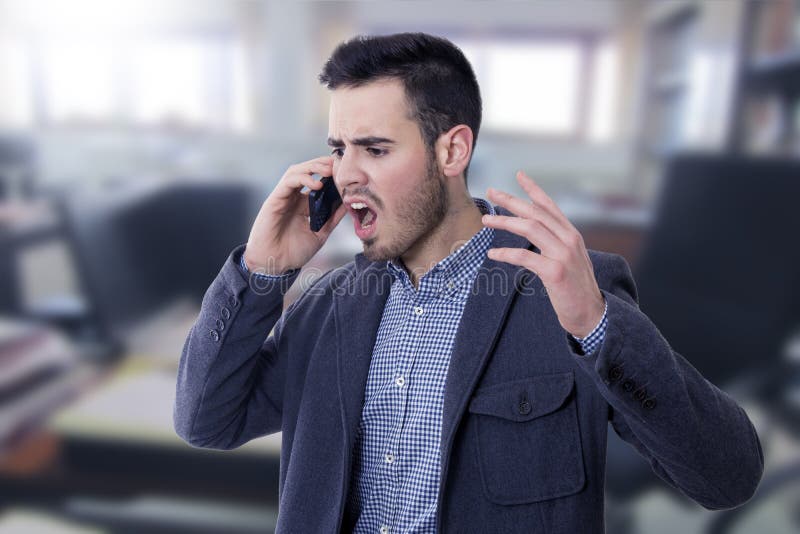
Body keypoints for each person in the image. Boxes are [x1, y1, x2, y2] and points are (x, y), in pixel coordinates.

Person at [173, 32, 763, 533]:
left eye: (375, 149)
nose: (346, 174)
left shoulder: (566, 292)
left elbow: (726, 476)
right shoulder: (328, 304)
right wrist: (261, 273)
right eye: (338, 149)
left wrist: (598, 327)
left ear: (452, 150)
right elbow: (205, 422)